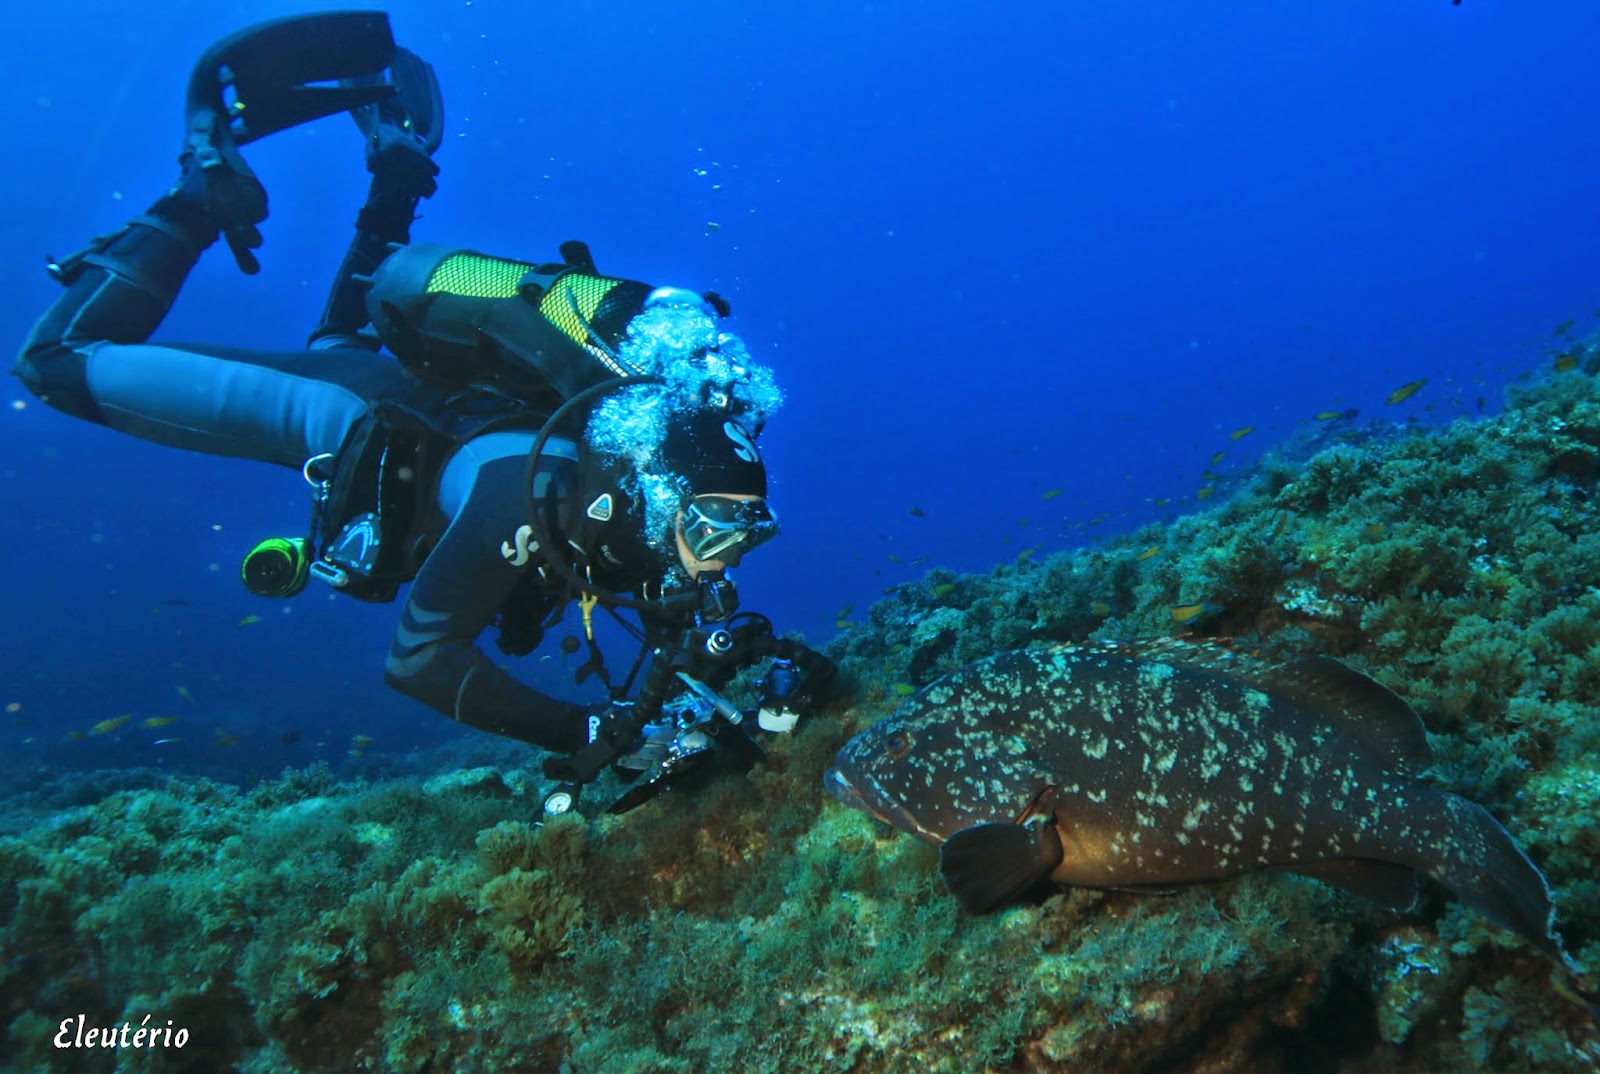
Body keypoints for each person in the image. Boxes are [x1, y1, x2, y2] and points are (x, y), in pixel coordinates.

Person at [13, 12, 827, 801]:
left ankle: (396, 178)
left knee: (340, 335)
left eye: (749, 526)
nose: (731, 552)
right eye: (717, 523)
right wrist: (583, 733)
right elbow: (420, 658)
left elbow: (665, 632)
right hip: (361, 415)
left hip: (439, 412)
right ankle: (196, 197)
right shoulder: (527, 495)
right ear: (639, 494)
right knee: (59, 366)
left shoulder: (637, 520)